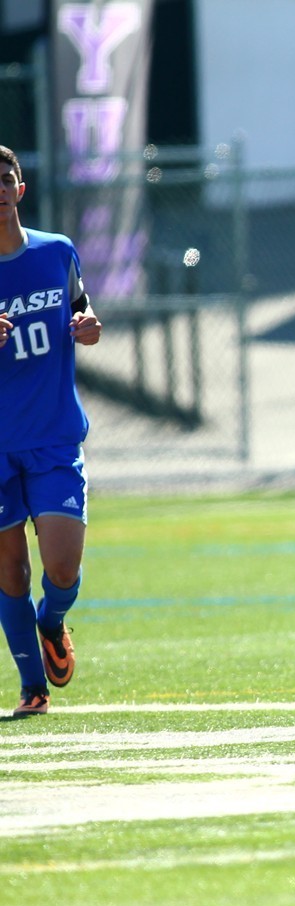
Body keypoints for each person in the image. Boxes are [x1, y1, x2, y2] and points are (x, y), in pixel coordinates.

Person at [0, 145, 101, 717]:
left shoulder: (57, 251)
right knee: (9, 567)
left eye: (5, 176)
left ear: (20, 186)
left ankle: (53, 620)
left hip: (54, 435)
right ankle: (31, 686)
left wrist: (88, 326)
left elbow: (82, 310)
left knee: (61, 568)